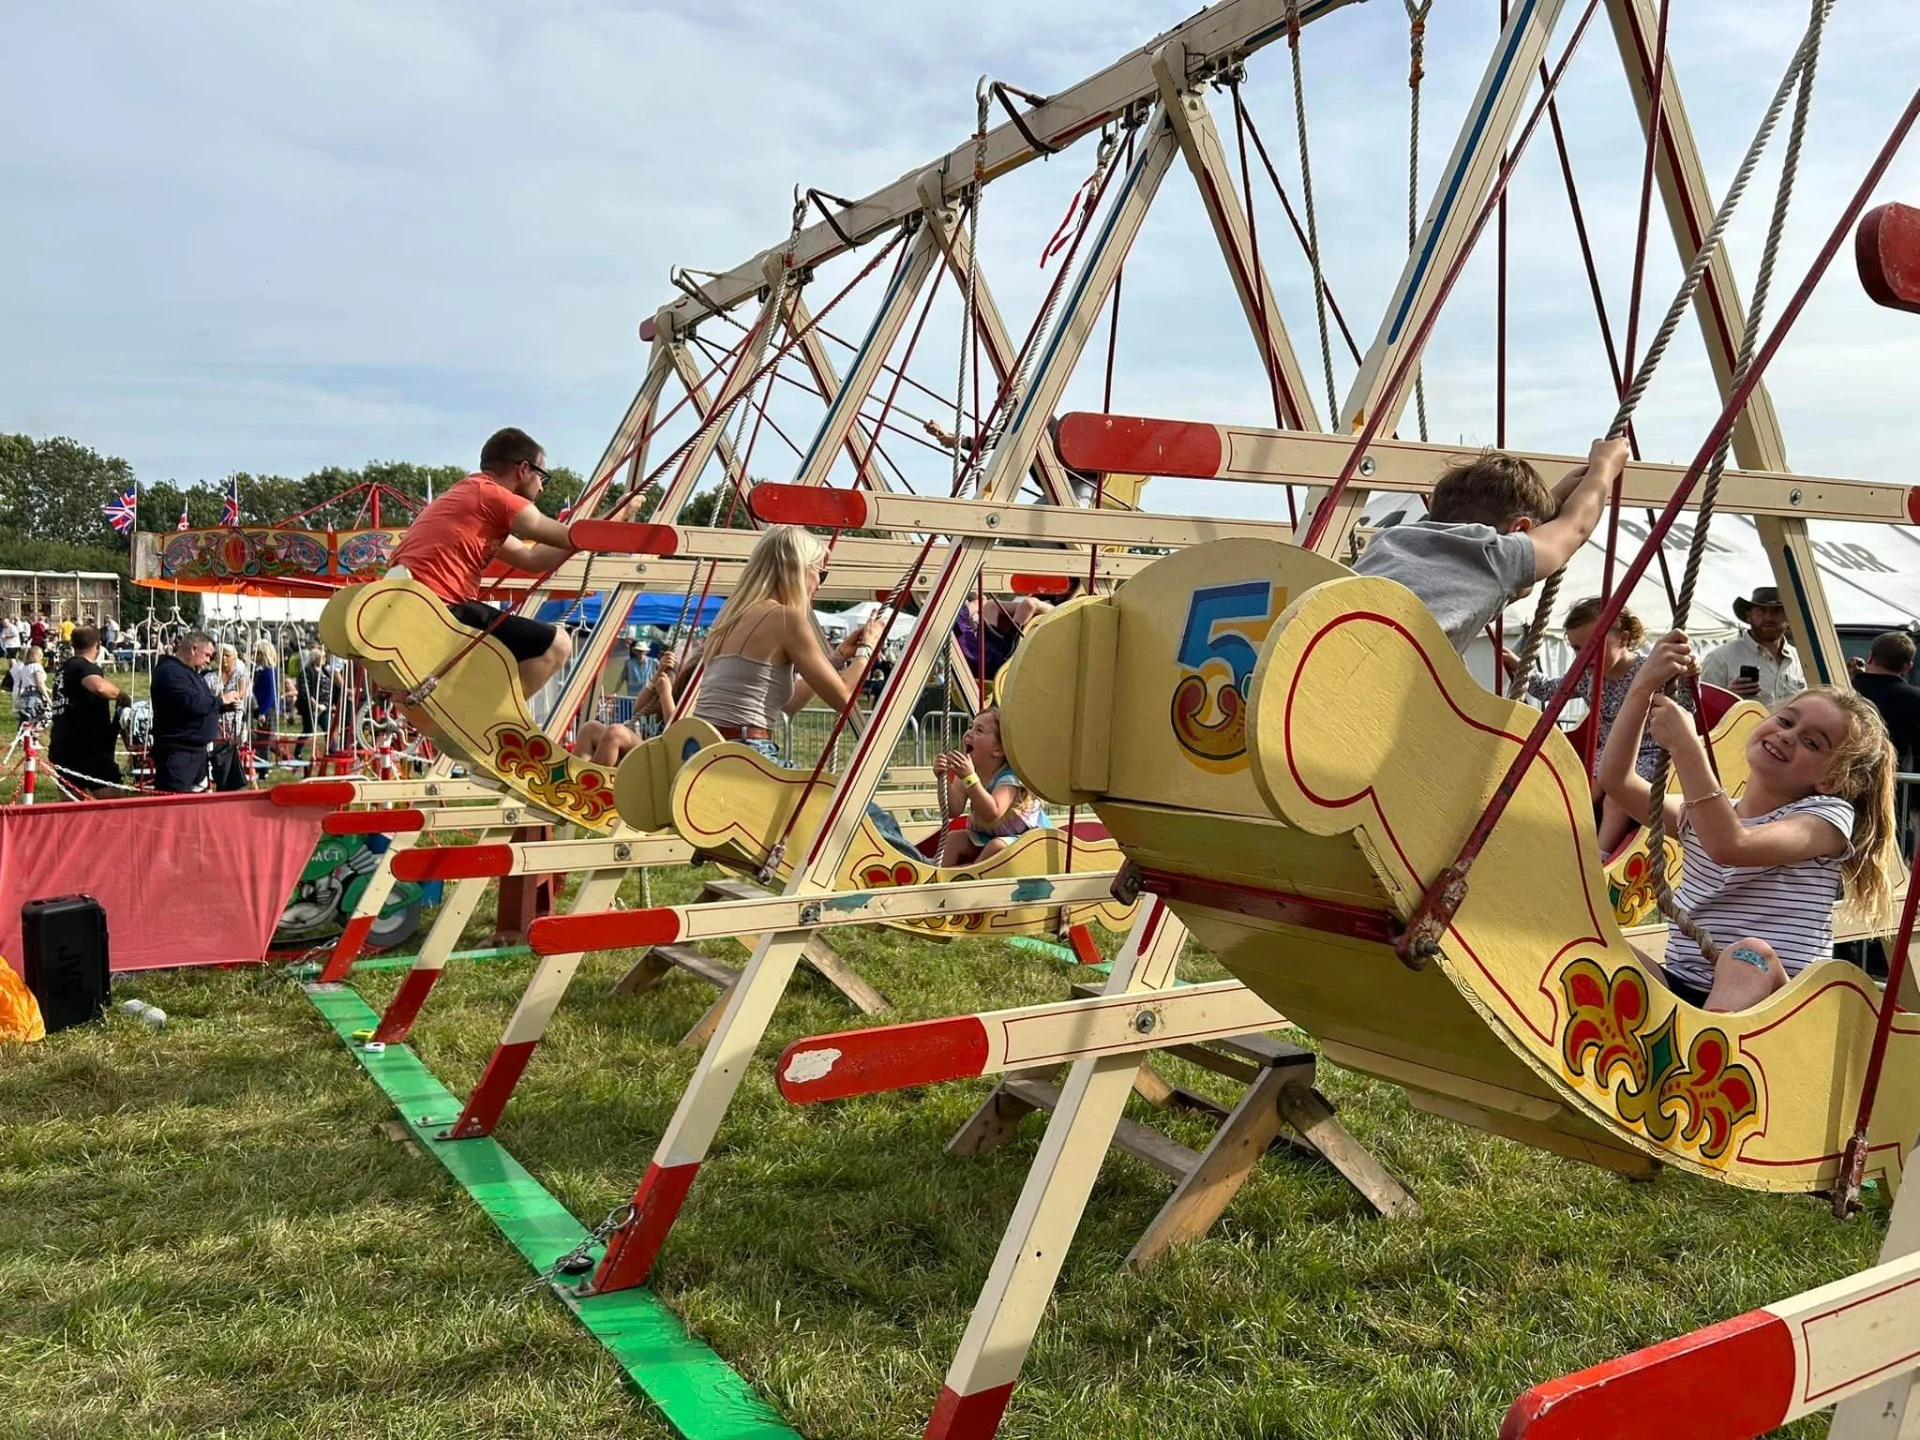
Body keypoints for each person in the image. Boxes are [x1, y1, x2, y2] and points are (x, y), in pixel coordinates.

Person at [1600, 630, 1897, 1012]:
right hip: (1685, 987)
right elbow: (1618, 784)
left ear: (1831, 780)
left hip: (1774, 1004)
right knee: (1599, 946)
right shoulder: (1707, 816)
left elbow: (1731, 845)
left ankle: (1706, 1059)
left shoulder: (1825, 818)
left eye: (1812, 742)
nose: (1789, 736)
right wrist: (1642, 686)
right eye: (1786, 721)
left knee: (1748, 956)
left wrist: (1687, 746)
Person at [1353, 439, 1628, 655]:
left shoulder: (1392, 539)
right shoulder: (1493, 555)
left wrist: (1552, 498)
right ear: (1518, 531)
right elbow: (1574, 527)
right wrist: (1604, 467)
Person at [388, 427, 578, 696]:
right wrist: (611, 526)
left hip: (414, 607)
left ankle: (477, 707)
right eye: (542, 476)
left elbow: (532, 559)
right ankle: (497, 720)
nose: (541, 487)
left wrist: (591, 534)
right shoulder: (495, 496)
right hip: (440, 609)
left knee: (507, 654)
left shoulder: (469, 498)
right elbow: (565, 535)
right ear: (523, 469)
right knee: (557, 644)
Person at [689, 525, 884, 758]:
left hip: (705, 750)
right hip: (745, 751)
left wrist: (838, 657)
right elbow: (843, 698)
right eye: (821, 573)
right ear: (798, 568)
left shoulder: (732, 616)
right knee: (852, 796)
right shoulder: (784, 618)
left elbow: (788, 704)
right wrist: (867, 649)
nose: (820, 584)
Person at [1521, 598, 1693, 855]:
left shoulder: (1650, 670)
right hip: (1610, 753)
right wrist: (1518, 667)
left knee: (1616, 798)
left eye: (1593, 647)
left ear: (1623, 640)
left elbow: (1686, 707)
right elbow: (1550, 691)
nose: (1584, 657)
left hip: (1651, 751)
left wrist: (1690, 675)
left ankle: (1600, 856)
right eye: (1577, 649)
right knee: (1584, 787)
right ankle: (1567, 840)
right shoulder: (1586, 675)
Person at [934, 707, 1049, 866]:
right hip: (989, 835)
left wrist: (970, 779)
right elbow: (953, 810)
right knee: (954, 839)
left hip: (1026, 840)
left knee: (995, 847)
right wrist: (943, 779)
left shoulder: (1008, 778)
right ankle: (937, 876)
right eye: (970, 727)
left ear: (999, 750)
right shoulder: (968, 773)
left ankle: (969, 876)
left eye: (979, 731)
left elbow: (992, 813)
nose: (969, 733)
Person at [49, 627, 125, 798]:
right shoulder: (82, 666)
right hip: (88, 747)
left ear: (73, 644)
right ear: (97, 645)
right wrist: (121, 695)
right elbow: (98, 686)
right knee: (113, 805)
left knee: (72, 806)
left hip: (63, 744)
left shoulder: (63, 669)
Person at [1699, 585, 1804, 704]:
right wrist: (1729, 698)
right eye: (1761, 611)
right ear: (1749, 616)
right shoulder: (1719, 659)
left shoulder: (1801, 661)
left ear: (1789, 618)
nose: (1768, 618)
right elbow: (1704, 712)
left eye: (1776, 611)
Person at [574, 647, 679, 765]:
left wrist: (666, 694)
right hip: (650, 747)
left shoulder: (686, 698)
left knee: (615, 733)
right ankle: (578, 775)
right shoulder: (632, 665)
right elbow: (638, 707)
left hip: (664, 758)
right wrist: (657, 676)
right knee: (589, 728)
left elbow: (678, 730)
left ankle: (592, 779)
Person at [150, 632, 222, 793]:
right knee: (173, 807)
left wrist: (222, 707)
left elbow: (200, 702)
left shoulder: (189, 674)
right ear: (194, 649)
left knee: (196, 808)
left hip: (195, 753)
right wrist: (221, 701)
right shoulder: (170, 672)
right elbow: (191, 703)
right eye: (207, 655)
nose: (208, 661)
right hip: (178, 755)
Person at [1851, 631, 1920, 775]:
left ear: (1870, 657)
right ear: (1908, 666)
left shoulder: (1844, 688)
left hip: (1845, 777)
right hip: (1894, 783)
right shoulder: (1915, 698)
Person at [294, 644, 331, 761]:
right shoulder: (306, 672)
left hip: (324, 706)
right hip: (311, 707)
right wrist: (313, 703)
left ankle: (331, 750)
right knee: (308, 730)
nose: (325, 660)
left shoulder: (325, 671)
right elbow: (305, 689)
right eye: (323, 657)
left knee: (327, 728)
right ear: (316, 659)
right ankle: (298, 752)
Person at [251, 640, 281, 758]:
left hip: (267, 708)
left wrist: (263, 712)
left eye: (257, 653)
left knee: (264, 740)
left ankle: (264, 768)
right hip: (263, 707)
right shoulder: (263, 670)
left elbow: (270, 694)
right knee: (263, 738)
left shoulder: (268, 671)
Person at [10, 646, 48, 726]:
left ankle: (24, 736)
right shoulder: (35, 667)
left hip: (22, 692)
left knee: (23, 720)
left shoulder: (23, 667)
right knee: (35, 720)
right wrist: (47, 697)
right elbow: (38, 683)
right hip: (32, 694)